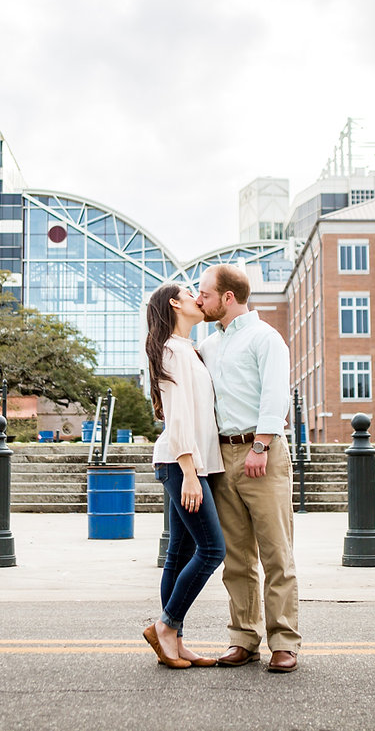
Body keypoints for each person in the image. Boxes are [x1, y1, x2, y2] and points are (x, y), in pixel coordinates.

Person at [196, 263, 300, 673]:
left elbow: (276, 394)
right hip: (222, 457)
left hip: (262, 451)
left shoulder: (265, 337)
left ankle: (285, 642)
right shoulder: (208, 345)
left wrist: (260, 445)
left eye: (205, 293)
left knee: (276, 553)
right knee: (236, 557)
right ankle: (243, 638)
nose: (199, 299)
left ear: (227, 297)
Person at [141, 282, 227, 670]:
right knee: (212, 550)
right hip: (181, 464)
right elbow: (177, 416)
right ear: (175, 303)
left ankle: (173, 641)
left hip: (185, 462)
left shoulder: (186, 349)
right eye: (192, 291)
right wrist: (191, 473)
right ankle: (165, 625)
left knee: (181, 553)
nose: (199, 296)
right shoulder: (173, 351)